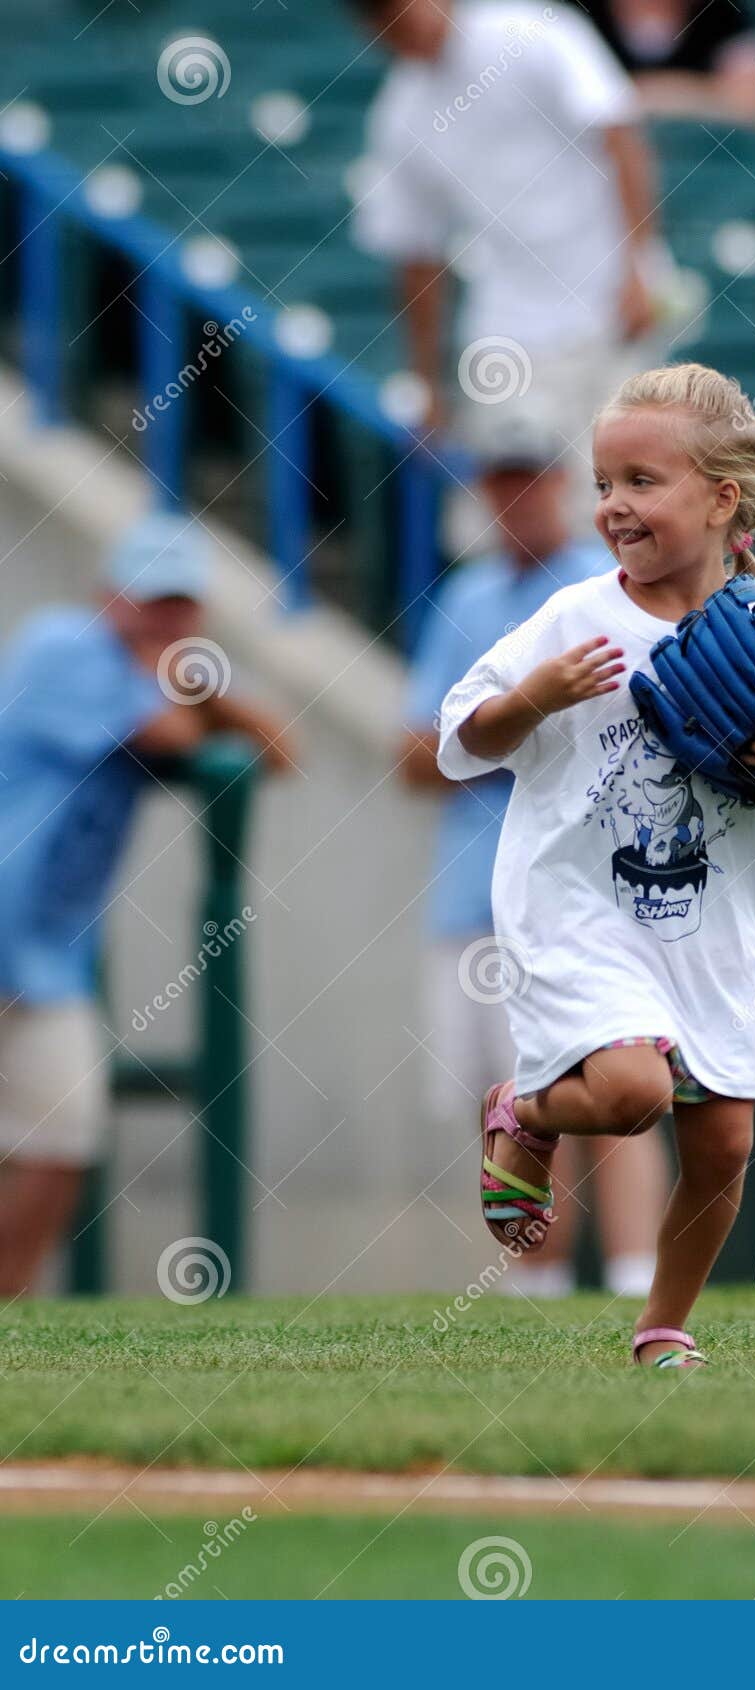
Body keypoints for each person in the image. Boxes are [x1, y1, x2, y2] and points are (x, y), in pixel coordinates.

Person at [435, 362, 755, 1368]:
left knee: (723, 1145)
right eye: (604, 482)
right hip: (577, 907)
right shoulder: (575, 617)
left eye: (642, 480)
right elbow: (460, 736)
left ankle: (661, 1329)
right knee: (633, 1091)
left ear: (723, 499)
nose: (613, 505)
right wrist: (537, 697)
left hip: (706, 924)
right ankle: (525, 1110)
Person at [399, 424, 668, 1298]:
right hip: (476, 896)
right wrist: (520, 726)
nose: (514, 501)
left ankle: (635, 1280)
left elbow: (619, 737)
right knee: (511, 1100)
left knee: (617, 1086)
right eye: (499, 484)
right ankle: (535, 1289)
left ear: (561, 487)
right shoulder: (466, 596)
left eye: (529, 481)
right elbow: (419, 754)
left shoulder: (604, 591)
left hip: (593, 888)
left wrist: (502, 731)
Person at [0, 513, 294, 1296]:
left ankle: (8, 1304)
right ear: (109, 596)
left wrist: (200, 684)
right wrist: (195, 684)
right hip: (16, 938)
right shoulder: (63, 645)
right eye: (149, 600)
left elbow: (279, 751)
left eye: (179, 603)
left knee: (63, 1134)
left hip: (44, 958)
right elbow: (173, 733)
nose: (165, 618)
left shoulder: (154, 670)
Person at [347, 0, 669, 537]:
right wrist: (427, 384)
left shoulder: (533, 32)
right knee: (504, 528)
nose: (405, 20)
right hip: (508, 331)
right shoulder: (399, 116)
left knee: (625, 511)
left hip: (610, 305)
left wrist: (640, 267)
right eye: (383, 15)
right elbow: (416, 257)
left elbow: (620, 135)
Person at [575, 0, 755, 120]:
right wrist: (707, 92)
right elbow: (574, 99)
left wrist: (626, 95)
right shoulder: (575, 14)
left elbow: (749, 101)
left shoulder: (725, 14)